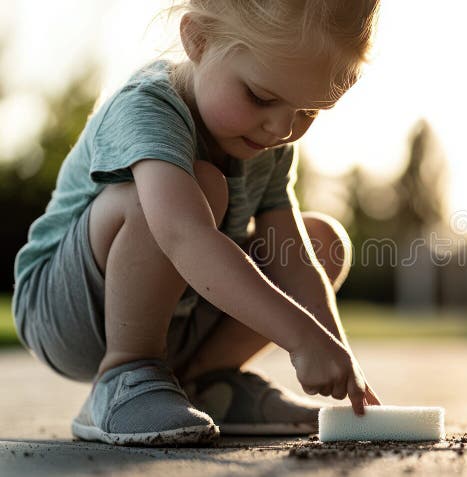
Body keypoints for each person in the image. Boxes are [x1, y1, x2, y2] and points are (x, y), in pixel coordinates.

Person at [10, 0, 382, 446]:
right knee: (197, 190)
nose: (281, 128)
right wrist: (301, 339)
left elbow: (295, 257)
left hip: (179, 317)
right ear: (199, 40)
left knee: (322, 242)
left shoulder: (271, 140)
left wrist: (332, 346)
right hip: (70, 309)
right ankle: (123, 374)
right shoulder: (147, 107)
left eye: (309, 111)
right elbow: (183, 235)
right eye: (261, 97)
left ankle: (209, 384)